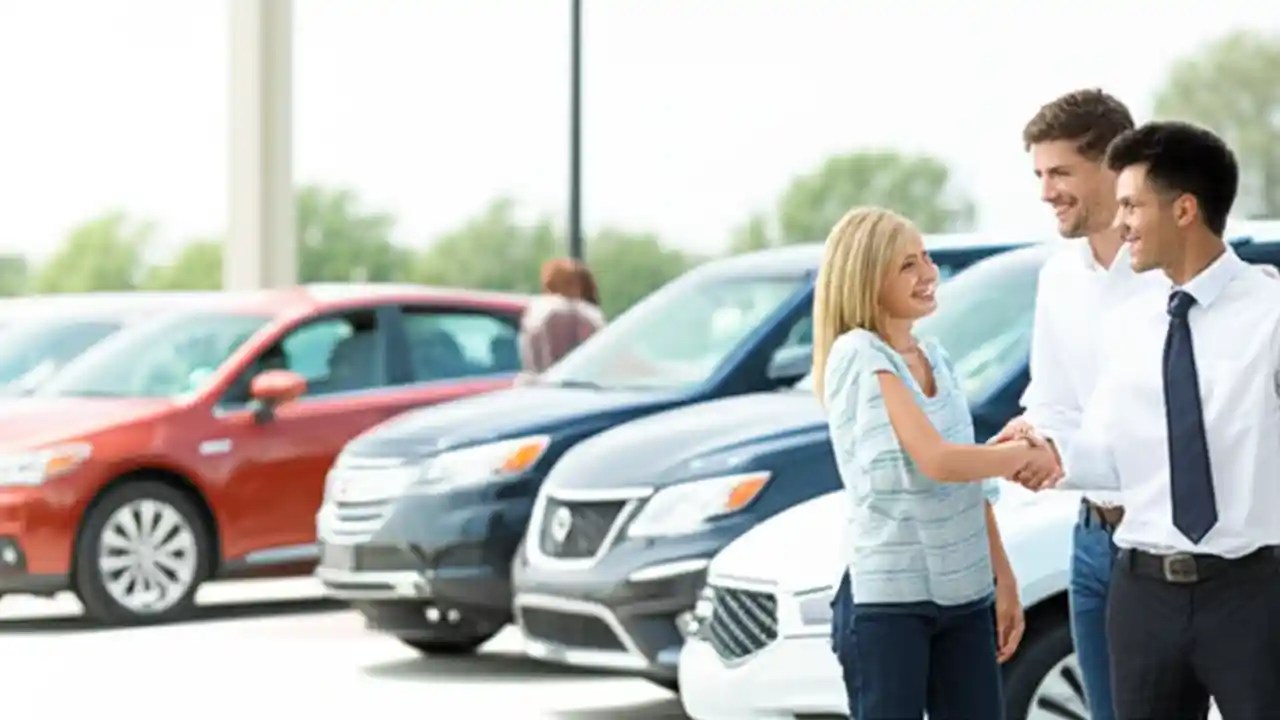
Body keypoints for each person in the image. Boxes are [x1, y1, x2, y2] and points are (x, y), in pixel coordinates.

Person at [1030, 121, 1280, 718]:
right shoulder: (1131, 326)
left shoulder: (1271, 315)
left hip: (1253, 594)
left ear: (1186, 209)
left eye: (1132, 206)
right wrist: (1048, 457)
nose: (1121, 225)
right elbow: (1108, 453)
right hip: (1141, 595)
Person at [988, 88, 1185, 720]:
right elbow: (1055, 400)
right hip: (1092, 543)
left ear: (1114, 165)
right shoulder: (1059, 278)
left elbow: (1176, 429)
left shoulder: (1175, 273)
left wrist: (1055, 455)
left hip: (1172, 545)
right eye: (1040, 175)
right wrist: (1036, 437)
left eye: (1061, 172)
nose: (1047, 191)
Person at [813, 206, 1052, 719]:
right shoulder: (860, 354)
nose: (928, 274)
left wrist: (1002, 578)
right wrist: (1024, 455)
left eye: (925, 258)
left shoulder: (936, 357)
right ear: (866, 277)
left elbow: (967, 482)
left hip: (964, 595)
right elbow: (937, 462)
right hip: (888, 604)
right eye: (906, 265)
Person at [517, 258, 605, 375]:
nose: (561, 292)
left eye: (569, 284)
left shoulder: (537, 316)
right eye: (554, 286)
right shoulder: (545, 317)